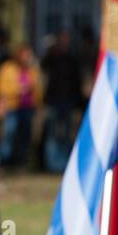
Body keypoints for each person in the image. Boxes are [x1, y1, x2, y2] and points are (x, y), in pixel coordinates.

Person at [0, 43, 42, 168]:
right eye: (25, 55)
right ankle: (5, 160)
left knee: (25, 135)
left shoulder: (32, 70)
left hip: (27, 108)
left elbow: (38, 87)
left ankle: (21, 161)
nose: (28, 58)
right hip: (12, 107)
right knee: (9, 134)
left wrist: (36, 96)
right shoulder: (7, 69)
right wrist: (18, 89)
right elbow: (1, 87)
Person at [40, 30, 81, 172]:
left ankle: (64, 163)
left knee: (66, 134)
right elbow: (42, 69)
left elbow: (77, 82)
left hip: (67, 101)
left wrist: (78, 100)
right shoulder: (51, 58)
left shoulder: (72, 60)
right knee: (52, 134)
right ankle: (51, 163)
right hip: (53, 100)